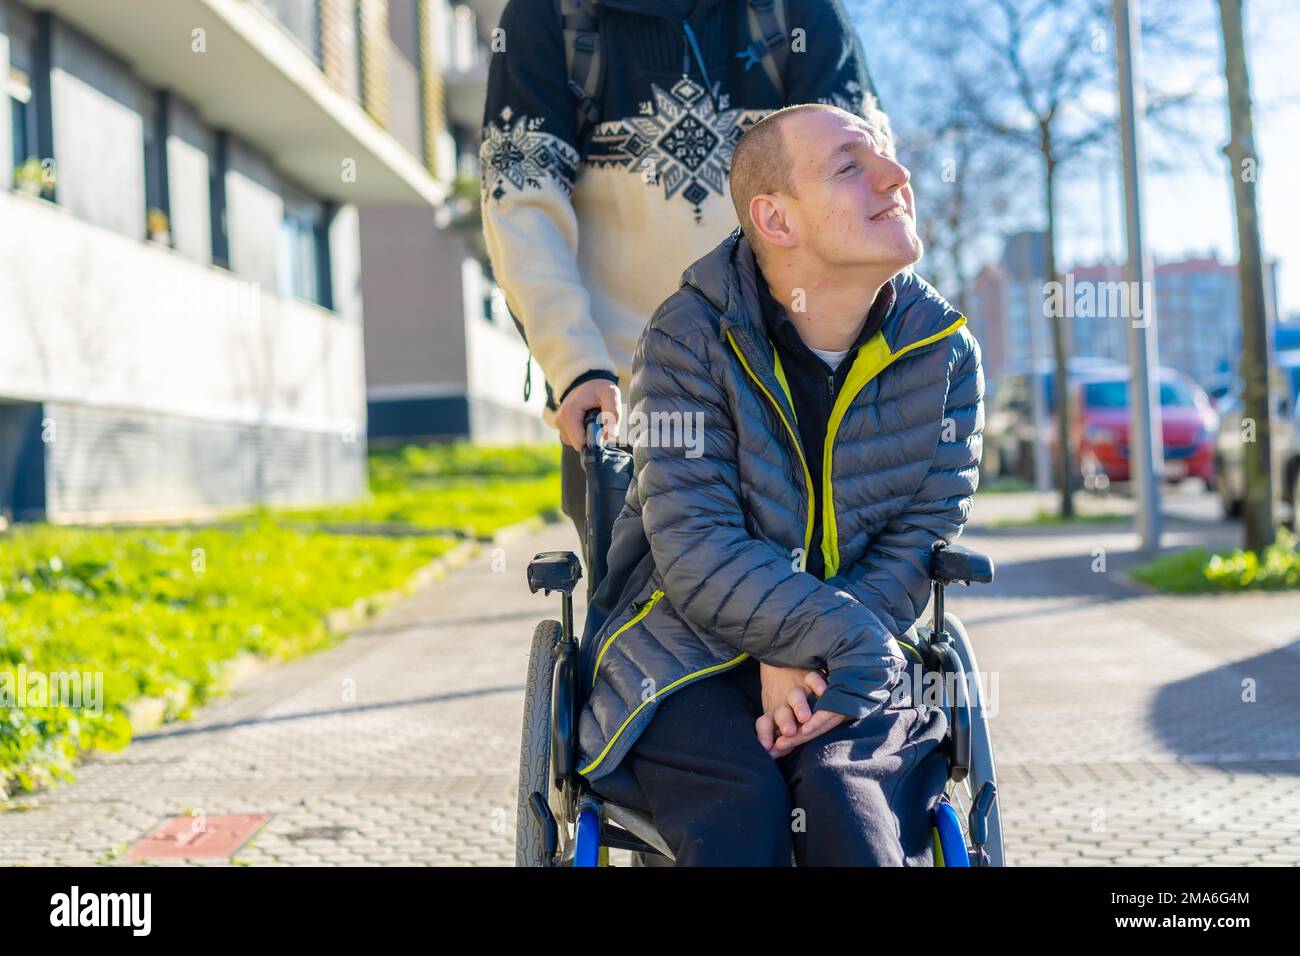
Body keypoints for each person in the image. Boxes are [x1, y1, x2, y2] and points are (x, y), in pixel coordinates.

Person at [574, 102, 985, 865]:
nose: (897, 177)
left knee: (845, 797)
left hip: (869, 642)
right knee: (743, 806)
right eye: (850, 166)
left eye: (888, 158)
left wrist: (827, 650)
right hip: (684, 651)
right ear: (776, 218)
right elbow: (697, 547)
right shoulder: (686, 339)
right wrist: (819, 642)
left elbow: (923, 533)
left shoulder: (945, 353)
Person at [479, 0, 882, 557]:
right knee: (638, 626)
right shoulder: (547, 17)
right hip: (624, 402)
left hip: (797, 387)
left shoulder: (800, 13)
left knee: (825, 612)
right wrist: (575, 368)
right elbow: (522, 207)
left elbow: (864, 193)